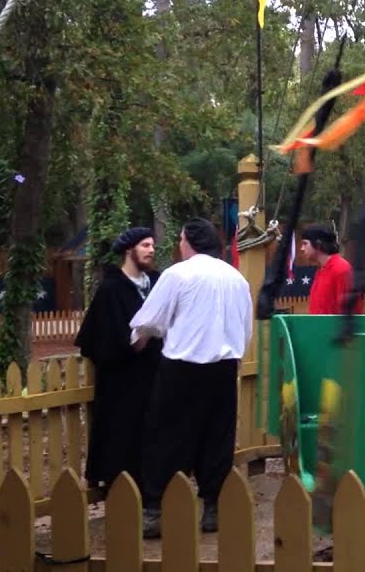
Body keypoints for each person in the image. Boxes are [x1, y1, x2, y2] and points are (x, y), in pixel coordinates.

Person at [131, 218, 252, 538]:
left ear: (191, 243)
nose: (179, 245)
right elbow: (245, 327)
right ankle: (213, 507)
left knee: (166, 436)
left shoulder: (177, 274)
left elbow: (150, 321)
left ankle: (156, 510)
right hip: (224, 366)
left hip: (181, 367)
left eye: (181, 239)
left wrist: (138, 339)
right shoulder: (236, 278)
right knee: (217, 437)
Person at [74, 227, 162, 495]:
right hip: (121, 381)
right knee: (122, 437)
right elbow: (99, 338)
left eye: (152, 245)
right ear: (129, 250)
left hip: (155, 376)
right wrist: (133, 341)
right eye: (145, 245)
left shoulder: (158, 283)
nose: (151, 250)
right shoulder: (111, 289)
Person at [298, 224, 353, 314]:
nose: (302, 248)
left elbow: (348, 313)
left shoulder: (341, 269)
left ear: (318, 244)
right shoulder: (321, 270)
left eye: (305, 243)